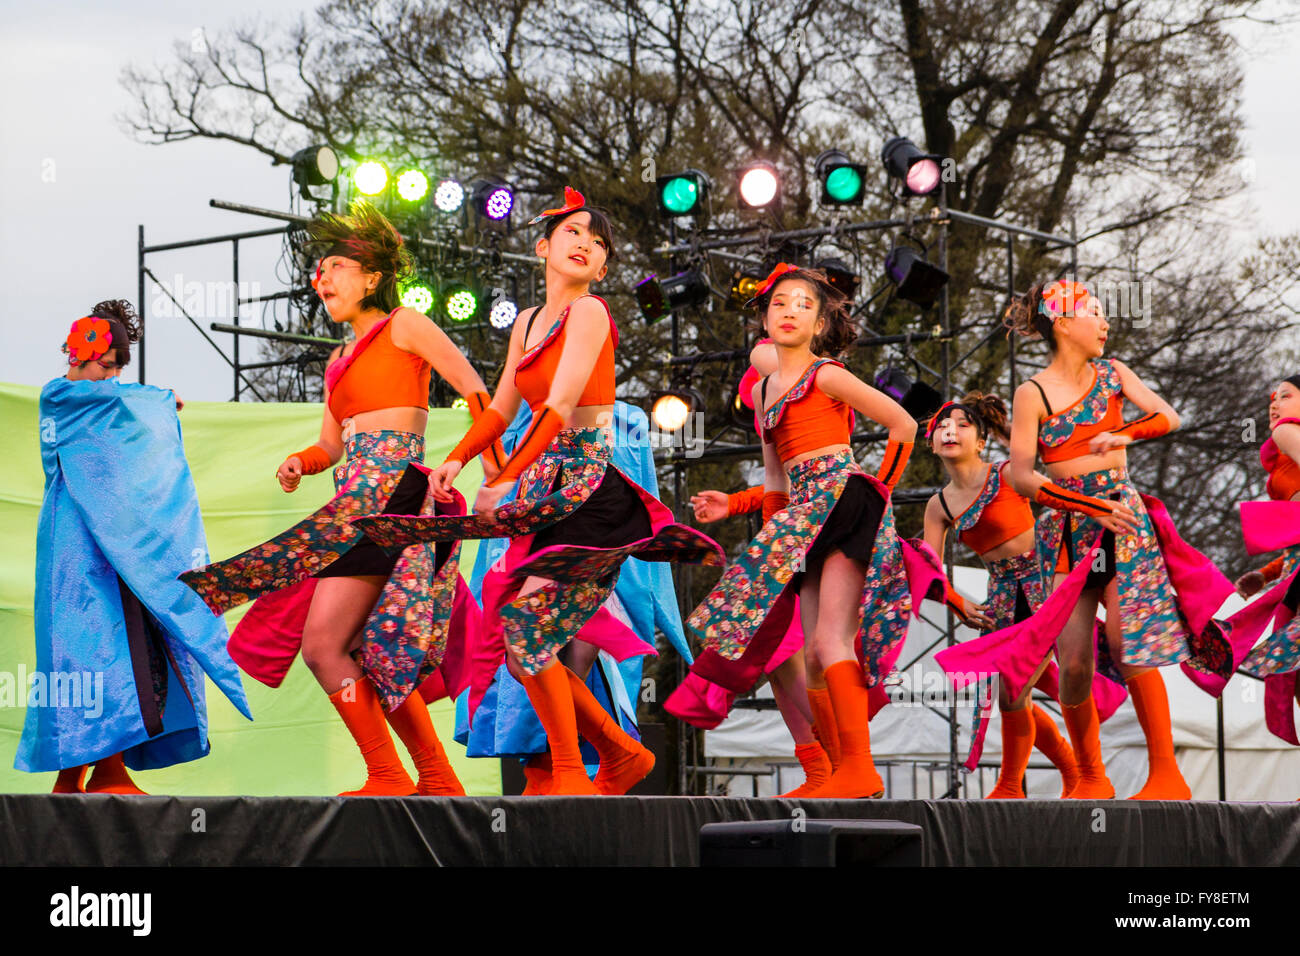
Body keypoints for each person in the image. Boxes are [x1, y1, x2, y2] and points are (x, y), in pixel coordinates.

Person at [354, 188, 725, 796]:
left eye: (598, 242)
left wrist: (500, 479)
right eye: (574, 232)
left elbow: (557, 407)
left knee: (529, 633)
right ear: (543, 247)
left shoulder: (591, 313)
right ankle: (610, 753)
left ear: (603, 268)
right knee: (520, 640)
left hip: (590, 490)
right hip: (543, 495)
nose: (585, 244)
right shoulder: (525, 324)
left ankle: (581, 766)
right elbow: (502, 408)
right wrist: (456, 460)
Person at [181, 201, 490, 796]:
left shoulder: (404, 324)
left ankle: (392, 773)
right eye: (317, 270)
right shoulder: (336, 360)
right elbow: (332, 444)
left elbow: (475, 389)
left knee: (324, 643)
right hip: (352, 506)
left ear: (372, 276)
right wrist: (303, 461)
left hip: (394, 497)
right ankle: (431, 776)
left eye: (334, 266)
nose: (321, 278)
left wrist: (479, 463)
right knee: (358, 648)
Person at [949, 279, 1236, 800]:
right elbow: (1021, 475)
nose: (1105, 323)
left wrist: (1127, 434)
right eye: (1096, 313)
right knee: (1075, 661)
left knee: (1130, 646)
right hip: (1066, 528)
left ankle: (1166, 775)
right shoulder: (1030, 393)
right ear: (1062, 323)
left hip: (1122, 519)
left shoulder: (1114, 374)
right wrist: (1085, 506)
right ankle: (1090, 776)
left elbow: (1168, 415)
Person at [683, 263, 919, 799]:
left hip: (845, 498)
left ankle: (860, 768)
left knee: (831, 640)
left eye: (804, 305)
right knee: (812, 652)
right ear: (764, 319)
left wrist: (878, 492)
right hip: (799, 517)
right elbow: (773, 476)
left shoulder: (827, 374)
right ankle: (837, 772)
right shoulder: (766, 390)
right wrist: (760, 528)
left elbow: (903, 425)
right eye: (780, 303)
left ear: (818, 325)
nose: (790, 310)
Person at [17, 301, 250, 793]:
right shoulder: (60, 397)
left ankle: (104, 771)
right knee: (81, 656)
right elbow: (123, 407)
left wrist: (156, 404)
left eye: (119, 371)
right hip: (74, 549)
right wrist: (159, 400)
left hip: (113, 544)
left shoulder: (107, 402)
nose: (111, 378)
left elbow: (130, 448)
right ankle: (76, 775)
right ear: (79, 355)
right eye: (106, 366)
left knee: (124, 651)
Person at [923, 394, 1128, 798]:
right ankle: (1065, 774)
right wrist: (956, 602)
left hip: (1045, 579)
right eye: (942, 427)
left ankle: (1036, 781)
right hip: (1000, 593)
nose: (950, 431)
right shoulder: (939, 505)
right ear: (930, 443)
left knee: (1035, 685)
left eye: (963, 424)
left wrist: (1096, 514)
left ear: (981, 441)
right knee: (1014, 694)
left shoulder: (1006, 474)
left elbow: (1057, 500)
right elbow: (929, 569)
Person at [1227, 376, 1300, 748]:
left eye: (1286, 396)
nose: (1275, 405)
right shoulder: (1284, 453)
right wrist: (1268, 573)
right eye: (1272, 398)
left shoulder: (1288, 432)